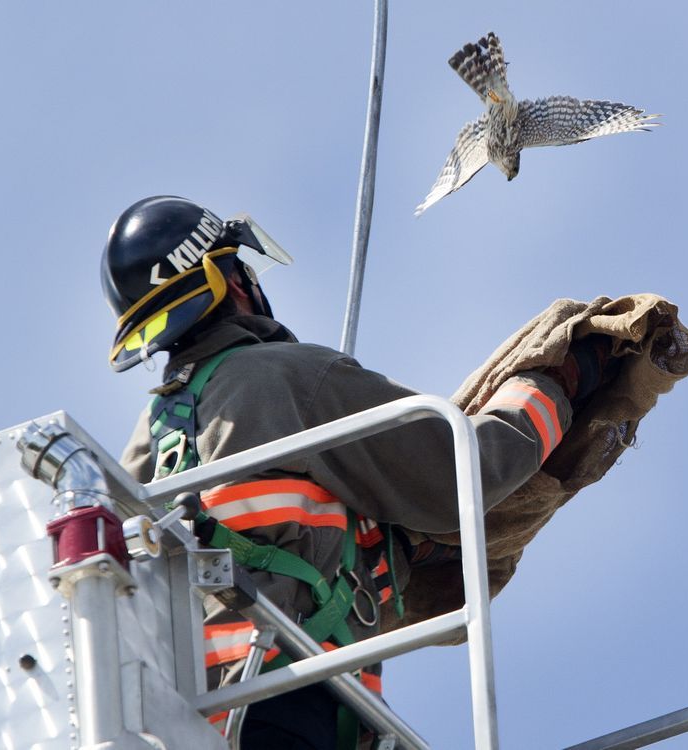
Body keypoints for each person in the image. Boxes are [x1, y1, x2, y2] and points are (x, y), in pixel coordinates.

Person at [103, 195, 611, 749]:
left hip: (187, 720)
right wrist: (554, 382)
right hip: (291, 699)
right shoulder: (288, 378)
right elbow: (462, 474)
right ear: (234, 280)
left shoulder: (140, 446)